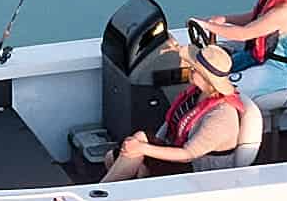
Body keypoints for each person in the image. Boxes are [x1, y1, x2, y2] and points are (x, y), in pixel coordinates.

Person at [106, 38, 252, 183]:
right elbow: (171, 125)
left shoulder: (221, 116)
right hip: (183, 157)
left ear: (206, 78)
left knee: (133, 153)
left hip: (200, 173)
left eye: (194, 68)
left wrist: (143, 149)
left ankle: (100, 193)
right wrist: (144, 145)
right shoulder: (198, 93)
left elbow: (188, 154)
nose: (189, 69)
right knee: (114, 156)